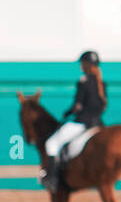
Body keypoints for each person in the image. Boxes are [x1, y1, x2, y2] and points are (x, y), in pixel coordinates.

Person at [41, 50, 107, 194]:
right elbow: (102, 106)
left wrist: (67, 113)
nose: (81, 66)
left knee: (51, 143)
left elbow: (78, 106)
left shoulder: (83, 82)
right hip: (98, 124)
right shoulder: (102, 84)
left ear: (87, 64)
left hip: (82, 123)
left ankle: (52, 179)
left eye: (83, 63)